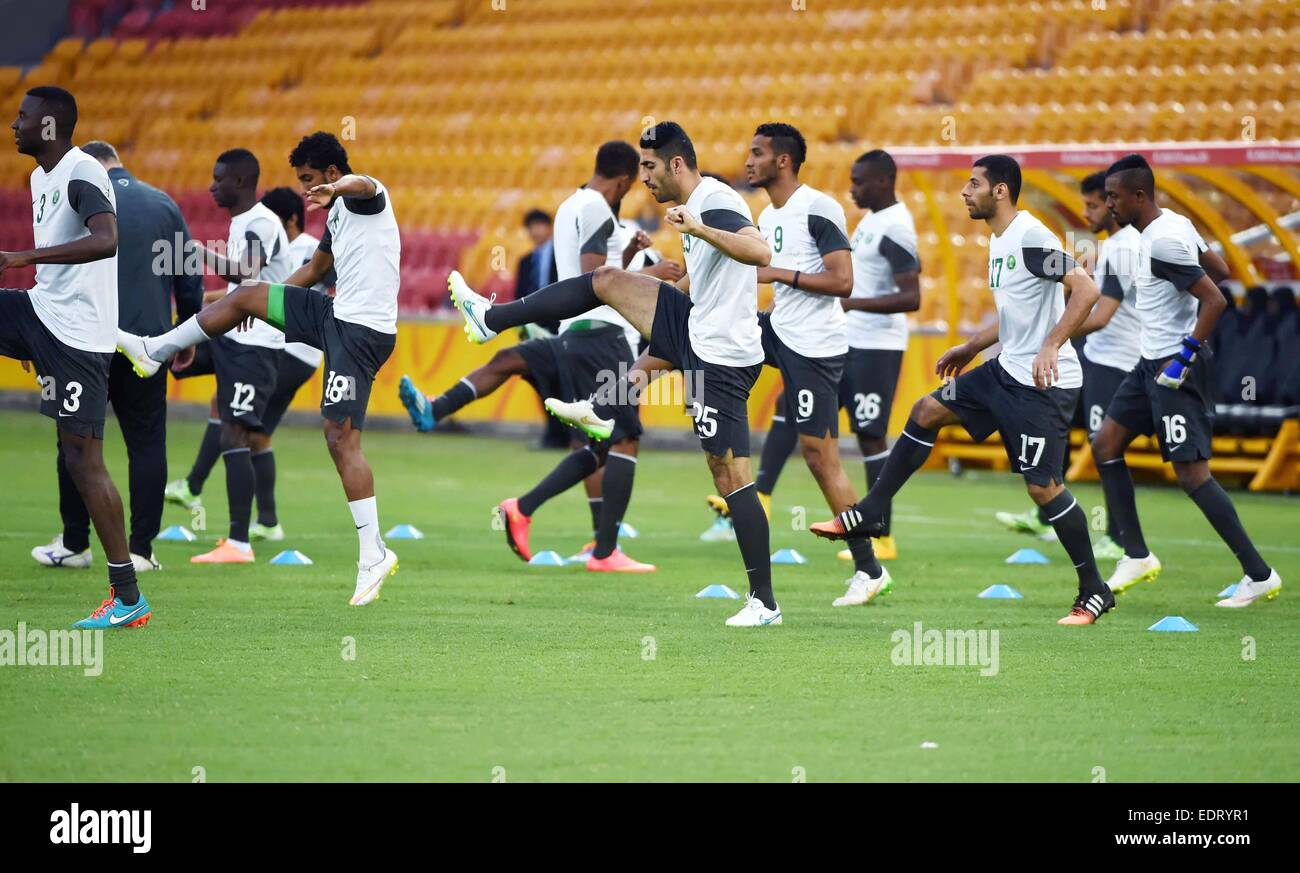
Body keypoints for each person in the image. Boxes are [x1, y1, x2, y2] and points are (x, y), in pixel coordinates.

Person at [445, 122, 782, 626]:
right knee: (606, 279)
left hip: (722, 358)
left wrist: (701, 230)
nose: (642, 177)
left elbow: (759, 252)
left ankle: (765, 603)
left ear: (675, 164)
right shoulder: (696, 205)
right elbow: (707, 275)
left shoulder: (715, 202)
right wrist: (668, 278)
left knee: (729, 472)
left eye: (649, 167)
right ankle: (497, 324)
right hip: (697, 329)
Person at [810, 155, 1115, 626]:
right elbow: (1017, 312)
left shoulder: (1030, 237)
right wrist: (972, 346)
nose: (964, 192)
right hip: (1004, 371)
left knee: (1043, 489)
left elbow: (1085, 289)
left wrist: (1052, 345)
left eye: (974, 184)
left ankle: (1094, 590)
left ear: (1000, 191)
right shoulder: (1001, 242)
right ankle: (871, 513)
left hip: (1042, 386)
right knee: (926, 410)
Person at [116, 131, 400, 606]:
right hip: (335, 317)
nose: (307, 190)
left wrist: (339, 188)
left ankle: (373, 555)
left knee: (338, 438)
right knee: (246, 294)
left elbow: (364, 184)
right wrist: (269, 304)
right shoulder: (333, 220)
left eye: (311, 181)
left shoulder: (366, 198)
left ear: (332, 174)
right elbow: (313, 271)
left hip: (362, 332)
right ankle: (155, 348)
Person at [398, 141, 679, 571]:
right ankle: (603, 550)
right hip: (601, 339)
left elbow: (593, 272)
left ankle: (442, 412)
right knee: (622, 439)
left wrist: (625, 259)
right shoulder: (600, 211)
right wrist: (651, 273)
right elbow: (596, 280)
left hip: (571, 335)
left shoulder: (570, 205)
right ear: (623, 179)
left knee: (560, 408)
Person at [1092, 154, 1281, 607]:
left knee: (1192, 476)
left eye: (1115, 197)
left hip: (1175, 367)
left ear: (1139, 195)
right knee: (1105, 445)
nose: (1109, 205)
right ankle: (1135, 555)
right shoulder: (1174, 224)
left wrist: (1184, 356)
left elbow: (1216, 298)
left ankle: (1259, 574)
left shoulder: (1162, 243)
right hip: (1147, 364)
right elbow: (1218, 267)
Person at [0, 86, 150, 628]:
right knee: (76, 458)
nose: (14, 124)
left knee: (83, 460)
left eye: (23, 116)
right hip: (44, 315)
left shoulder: (84, 171)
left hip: (80, 339)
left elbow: (106, 239)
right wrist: (27, 337)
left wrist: (23, 256)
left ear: (48, 126)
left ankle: (128, 597)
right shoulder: (39, 177)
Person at [30, 139, 203, 573]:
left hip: (82, 343)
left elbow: (53, 272)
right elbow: (188, 276)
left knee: (74, 442)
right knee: (147, 444)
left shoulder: (78, 195)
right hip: (146, 345)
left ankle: (74, 544)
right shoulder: (163, 204)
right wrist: (186, 336)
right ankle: (142, 549)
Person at [994, 170, 1141, 562]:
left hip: (1118, 360)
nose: (1090, 211)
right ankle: (1047, 512)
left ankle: (1118, 536)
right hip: (1098, 357)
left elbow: (1103, 312)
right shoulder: (1107, 246)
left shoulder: (1123, 248)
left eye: (1096, 203)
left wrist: (1055, 334)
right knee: (1069, 434)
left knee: (1106, 447)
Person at [180, 149, 293, 564]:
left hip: (257, 347)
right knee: (168, 360)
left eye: (218, 178)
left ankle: (239, 543)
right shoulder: (243, 222)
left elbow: (246, 272)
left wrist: (197, 252)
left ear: (241, 182)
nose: (211, 186)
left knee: (236, 434)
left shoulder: (260, 223)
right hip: (234, 339)